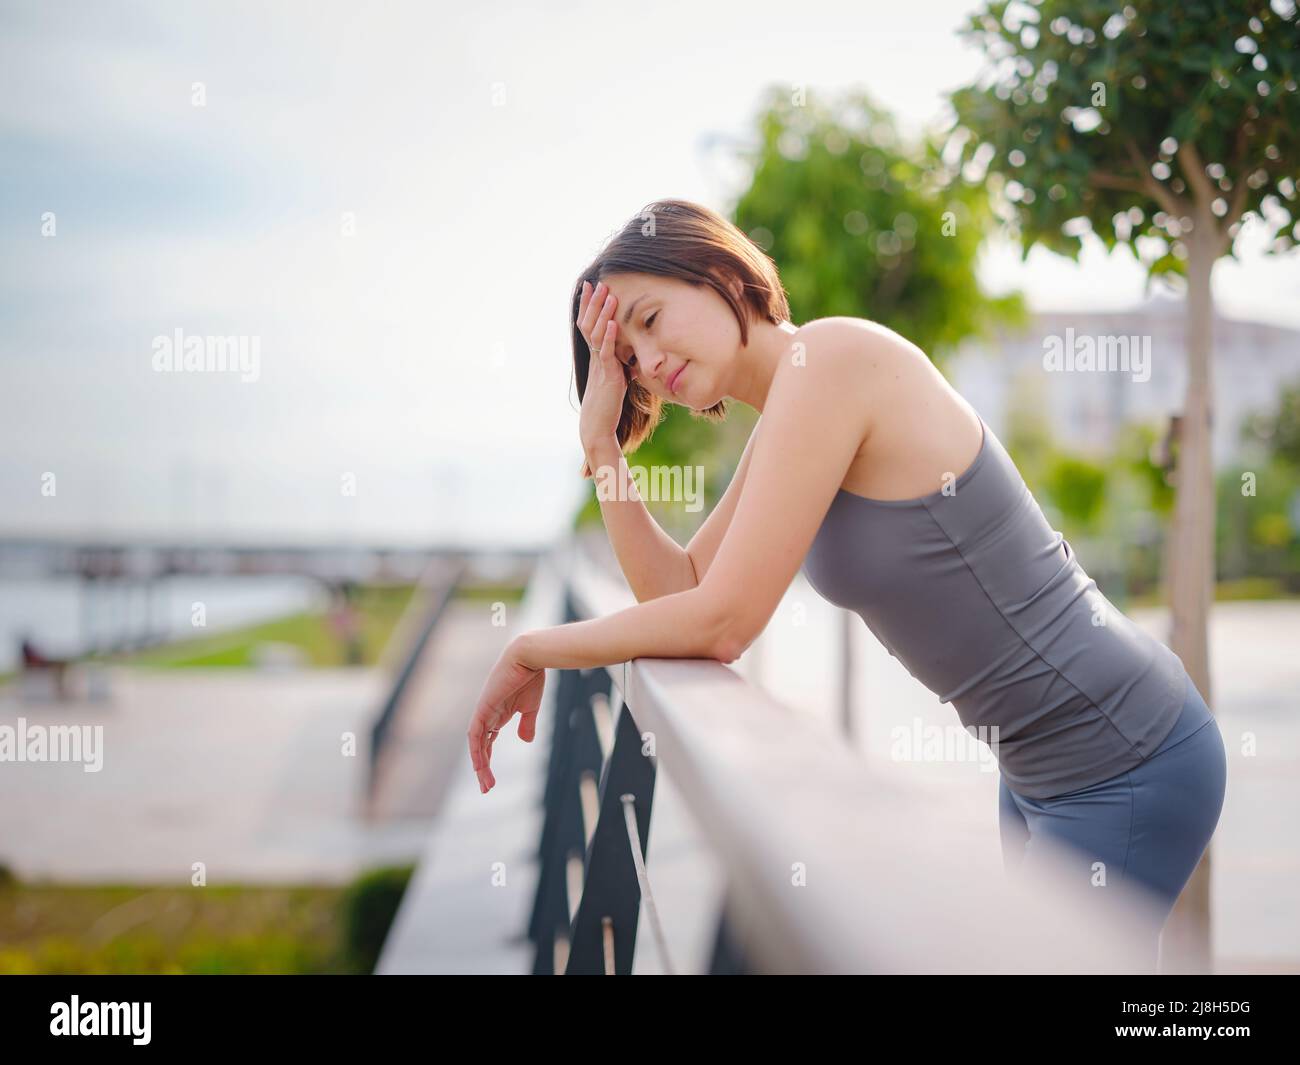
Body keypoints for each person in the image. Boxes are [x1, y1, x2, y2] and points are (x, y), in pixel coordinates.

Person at [464, 198, 1226, 963]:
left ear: (720, 270)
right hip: (1038, 770)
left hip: (1122, 753)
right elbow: (680, 594)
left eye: (652, 319)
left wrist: (536, 647)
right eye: (628, 360)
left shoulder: (830, 361)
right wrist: (602, 446)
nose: (649, 362)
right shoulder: (792, 410)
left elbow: (720, 624)